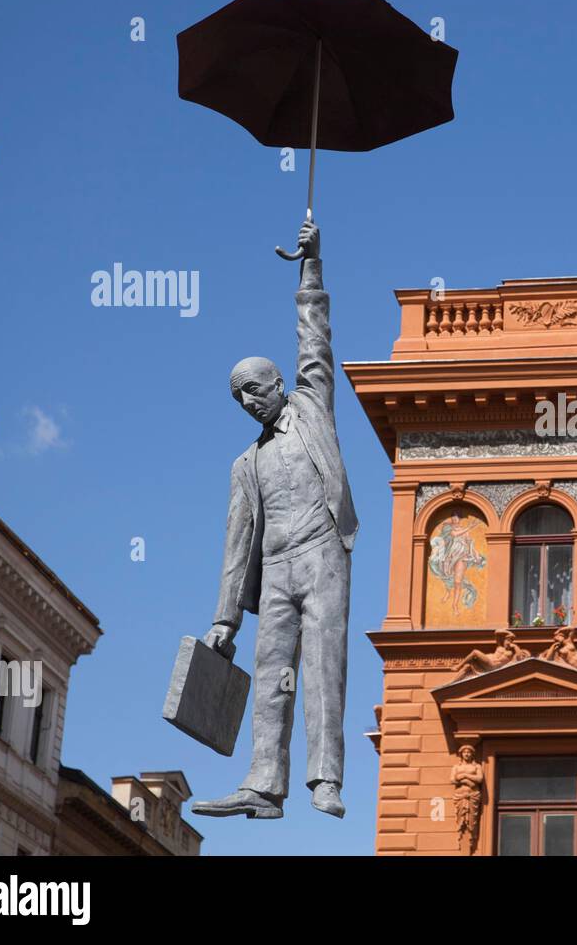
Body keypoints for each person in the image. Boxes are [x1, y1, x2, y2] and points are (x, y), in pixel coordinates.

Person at [192, 219, 357, 821]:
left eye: (253, 389)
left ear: (279, 384)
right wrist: (223, 620)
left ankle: (325, 779)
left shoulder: (313, 407)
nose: (247, 402)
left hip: (323, 551)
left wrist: (311, 266)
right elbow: (236, 549)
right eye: (238, 397)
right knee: (271, 674)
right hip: (276, 568)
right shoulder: (245, 464)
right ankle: (264, 784)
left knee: (323, 665)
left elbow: (315, 336)